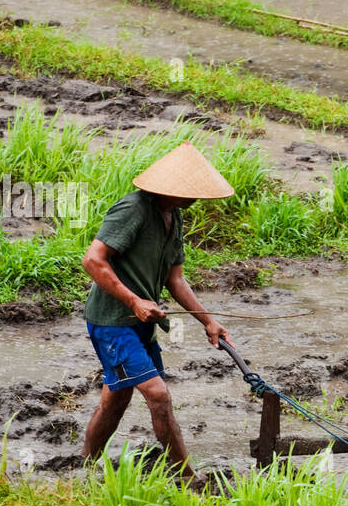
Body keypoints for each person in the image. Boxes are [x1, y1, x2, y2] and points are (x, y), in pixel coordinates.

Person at [80, 141, 233, 479]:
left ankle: (85, 467)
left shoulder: (173, 216)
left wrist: (208, 321)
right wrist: (134, 299)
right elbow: (93, 260)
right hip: (113, 322)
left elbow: (174, 279)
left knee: (116, 399)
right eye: (191, 192)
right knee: (159, 396)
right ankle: (189, 480)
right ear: (170, 188)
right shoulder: (133, 210)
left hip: (139, 324)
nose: (196, 199)